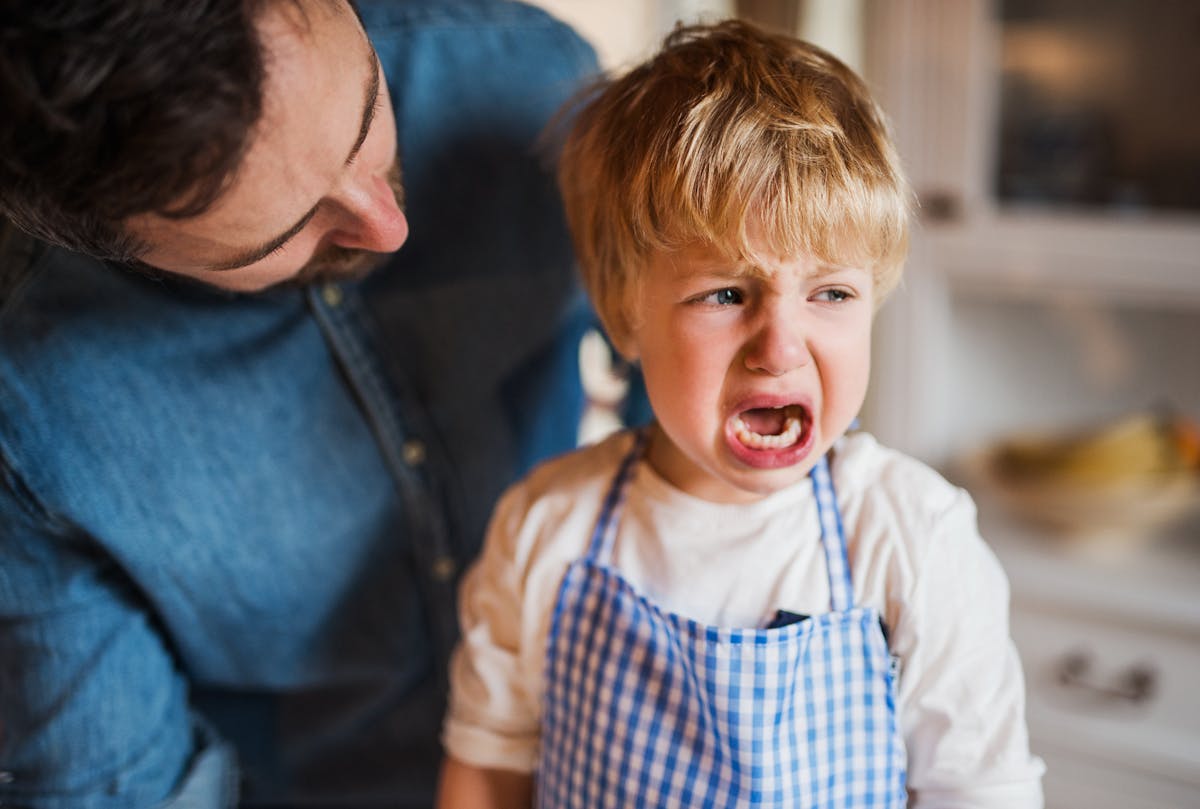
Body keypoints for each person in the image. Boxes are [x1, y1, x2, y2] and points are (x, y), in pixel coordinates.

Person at [0, 0, 599, 806]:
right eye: (281, 233)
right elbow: (116, 788)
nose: (387, 226)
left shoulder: (529, 73)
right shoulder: (27, 409)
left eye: (366, 113)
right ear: (114, 242)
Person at [437, 20, 1046, 808]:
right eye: (725, 293)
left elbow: (979, 790)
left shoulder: (911, 540)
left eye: (832, 292)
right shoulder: (545, 528)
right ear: (625, 315)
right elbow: (487, 773)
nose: (780, 347)